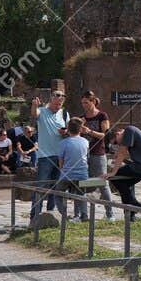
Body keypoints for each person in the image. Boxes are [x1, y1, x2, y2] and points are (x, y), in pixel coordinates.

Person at [29, 89, 69, 226]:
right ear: (51, 100)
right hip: (45, 156)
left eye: (60, 103)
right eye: (57, 102)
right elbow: (34, 114)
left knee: (55, 187)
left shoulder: (64, 114)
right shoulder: (42, 111)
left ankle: (50, 215)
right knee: (40, 187)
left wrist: (65, 133)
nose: (58, 105)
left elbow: (69, 132)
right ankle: (34, 217)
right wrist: (34, 105)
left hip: (60, 156)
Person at [107, 122, 141, 215]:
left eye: (116, 142)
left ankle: (136, 206)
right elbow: (132, 154)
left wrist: (113, 172)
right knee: (124, 185)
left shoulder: (129, 130)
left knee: (114, 178)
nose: (118, 144)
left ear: (118, 134)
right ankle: (130, 214)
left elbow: (122, 152)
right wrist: (119, 159)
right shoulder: (132, 134)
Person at [78, 92, 114, 218]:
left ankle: (110, 214)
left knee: (102, 183)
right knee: (81, 183)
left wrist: (89, 131)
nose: (84, 105)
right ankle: (83, 215)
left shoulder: (102, 116)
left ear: (93, 102)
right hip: (84, 154)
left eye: (86, 102)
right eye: (82, 103)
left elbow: (105, 135)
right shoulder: (82, 118)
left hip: (98, 153)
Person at [57, 117, 90, 219]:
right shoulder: (85, 141)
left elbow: (61, 162)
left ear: (68, 129)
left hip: (67, 174)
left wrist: (62, 170)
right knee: (81, 194)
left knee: (58, 193)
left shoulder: (63, 143)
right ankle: (84, 214)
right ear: (80, 129)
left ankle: (64, 214)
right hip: (82, 174)